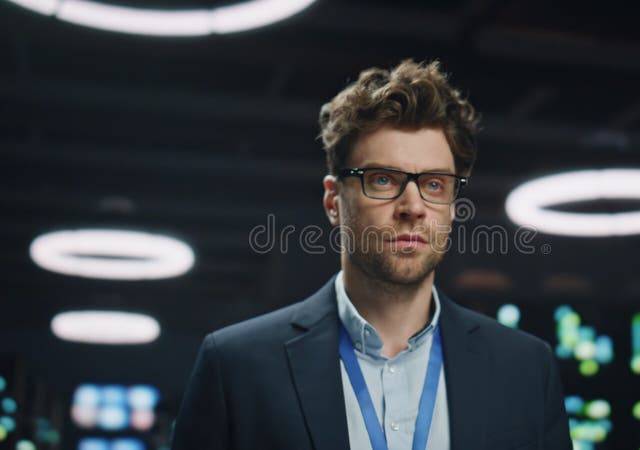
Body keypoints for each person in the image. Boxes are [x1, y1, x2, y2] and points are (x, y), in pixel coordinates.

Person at [171, 59, 571, 450]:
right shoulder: (236, 368)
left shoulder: (526, 370)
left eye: (434, 185)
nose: (412, 206)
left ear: (452, 205)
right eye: (382, 179)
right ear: (333, 201)